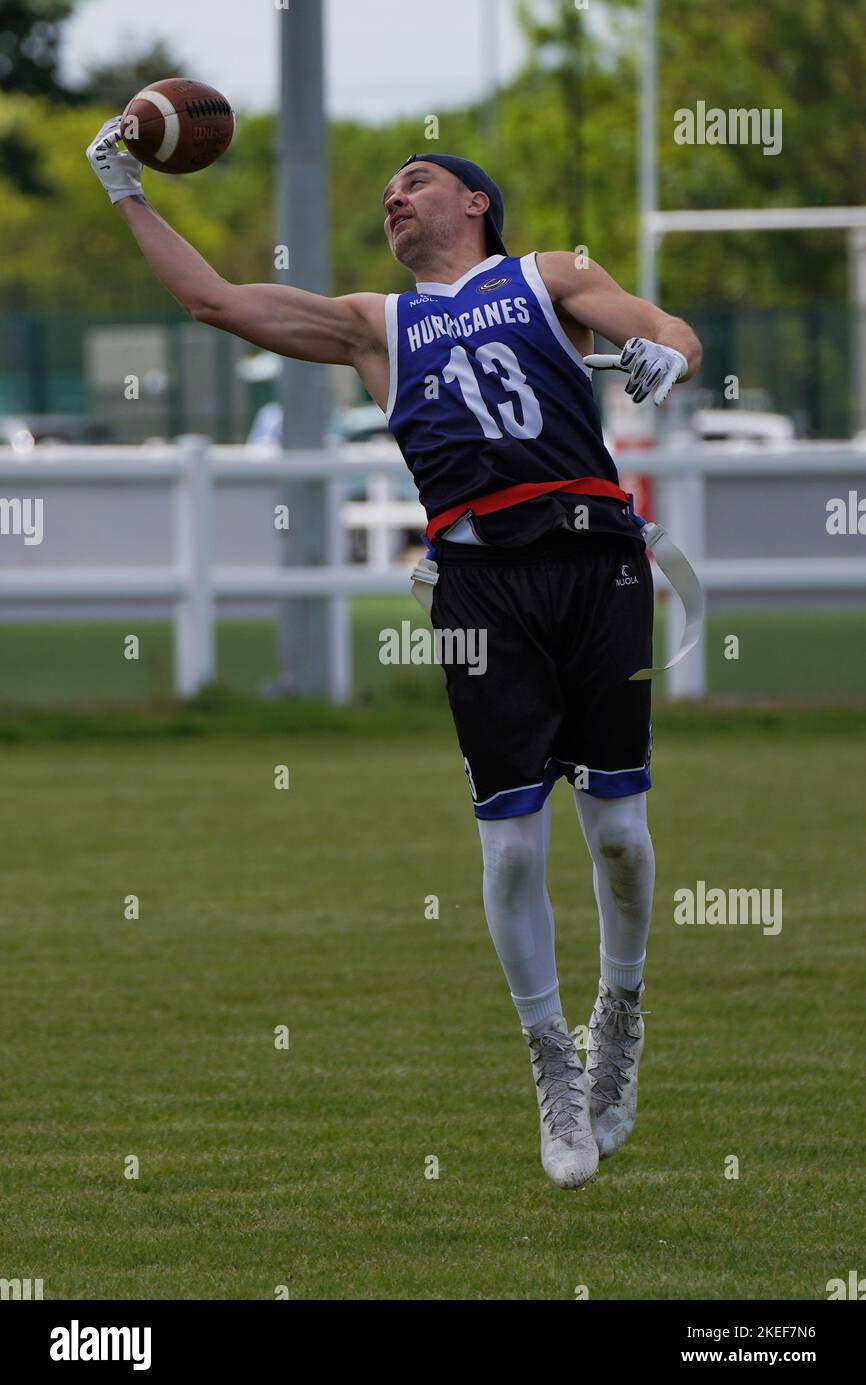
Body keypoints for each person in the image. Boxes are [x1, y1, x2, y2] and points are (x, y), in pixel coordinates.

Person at [87, 122, 702, 1190]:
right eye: (384, 190)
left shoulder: (545, 274)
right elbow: (215, 302)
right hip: (478, 582)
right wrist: (123, 190)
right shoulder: (377, 327)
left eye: (415, 179)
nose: (394, 195)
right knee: (511, 849)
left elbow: (662, 329)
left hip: (595, 561)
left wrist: (668, 355)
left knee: (619, 837)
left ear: (474, 204)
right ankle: (550, 1057)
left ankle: (621, 1011)